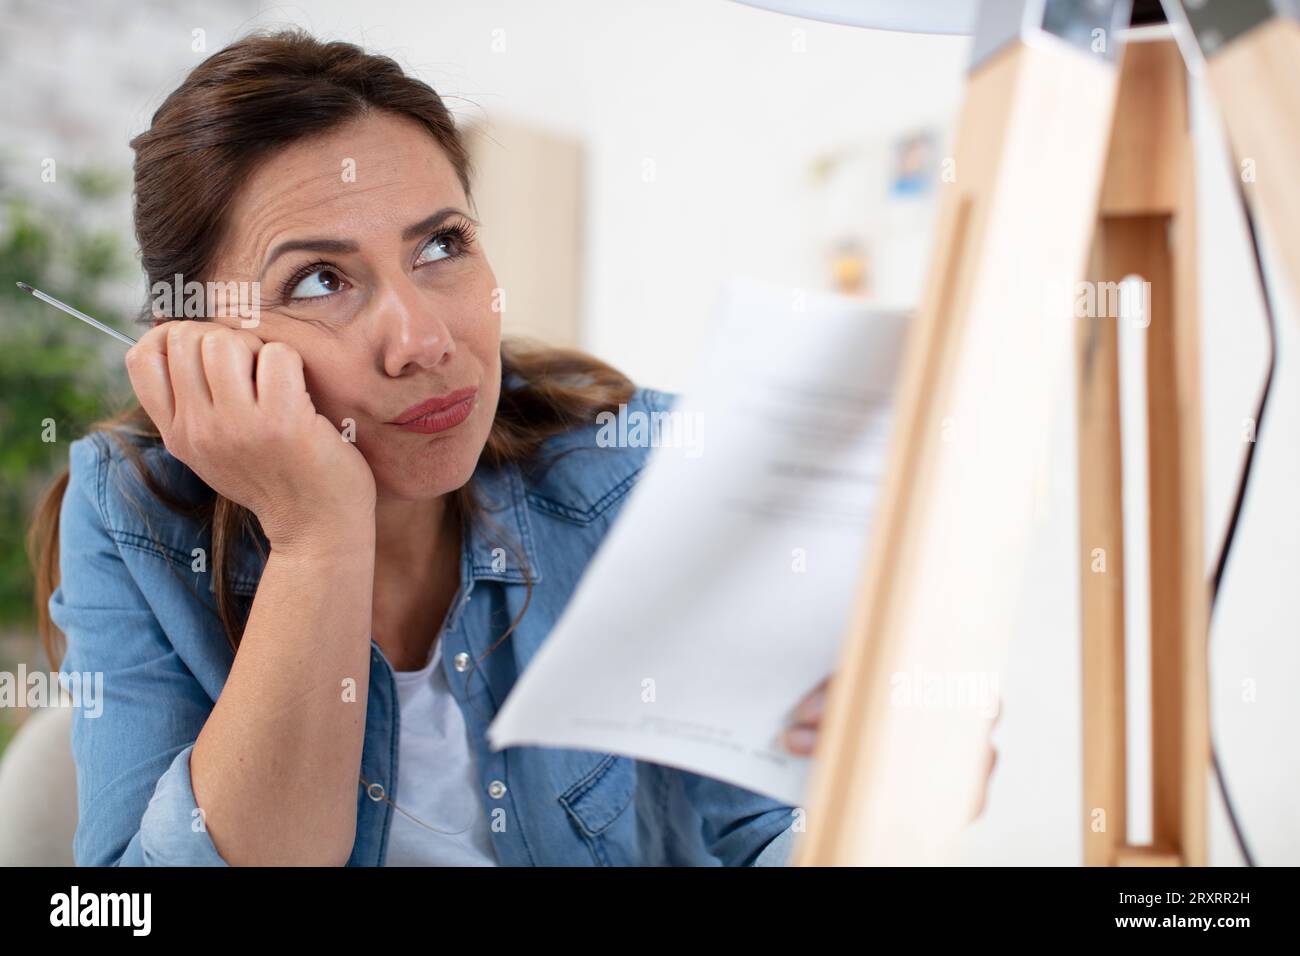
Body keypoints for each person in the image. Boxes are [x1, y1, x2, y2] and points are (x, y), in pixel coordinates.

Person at [28, 28, 858, 867]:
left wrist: (879, 796)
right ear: (203, 349)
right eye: (320, 280)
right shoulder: (132, 511)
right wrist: (318, 535)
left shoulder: (643, 465)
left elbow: (768, 830)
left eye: (441, 245)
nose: (422, 340)